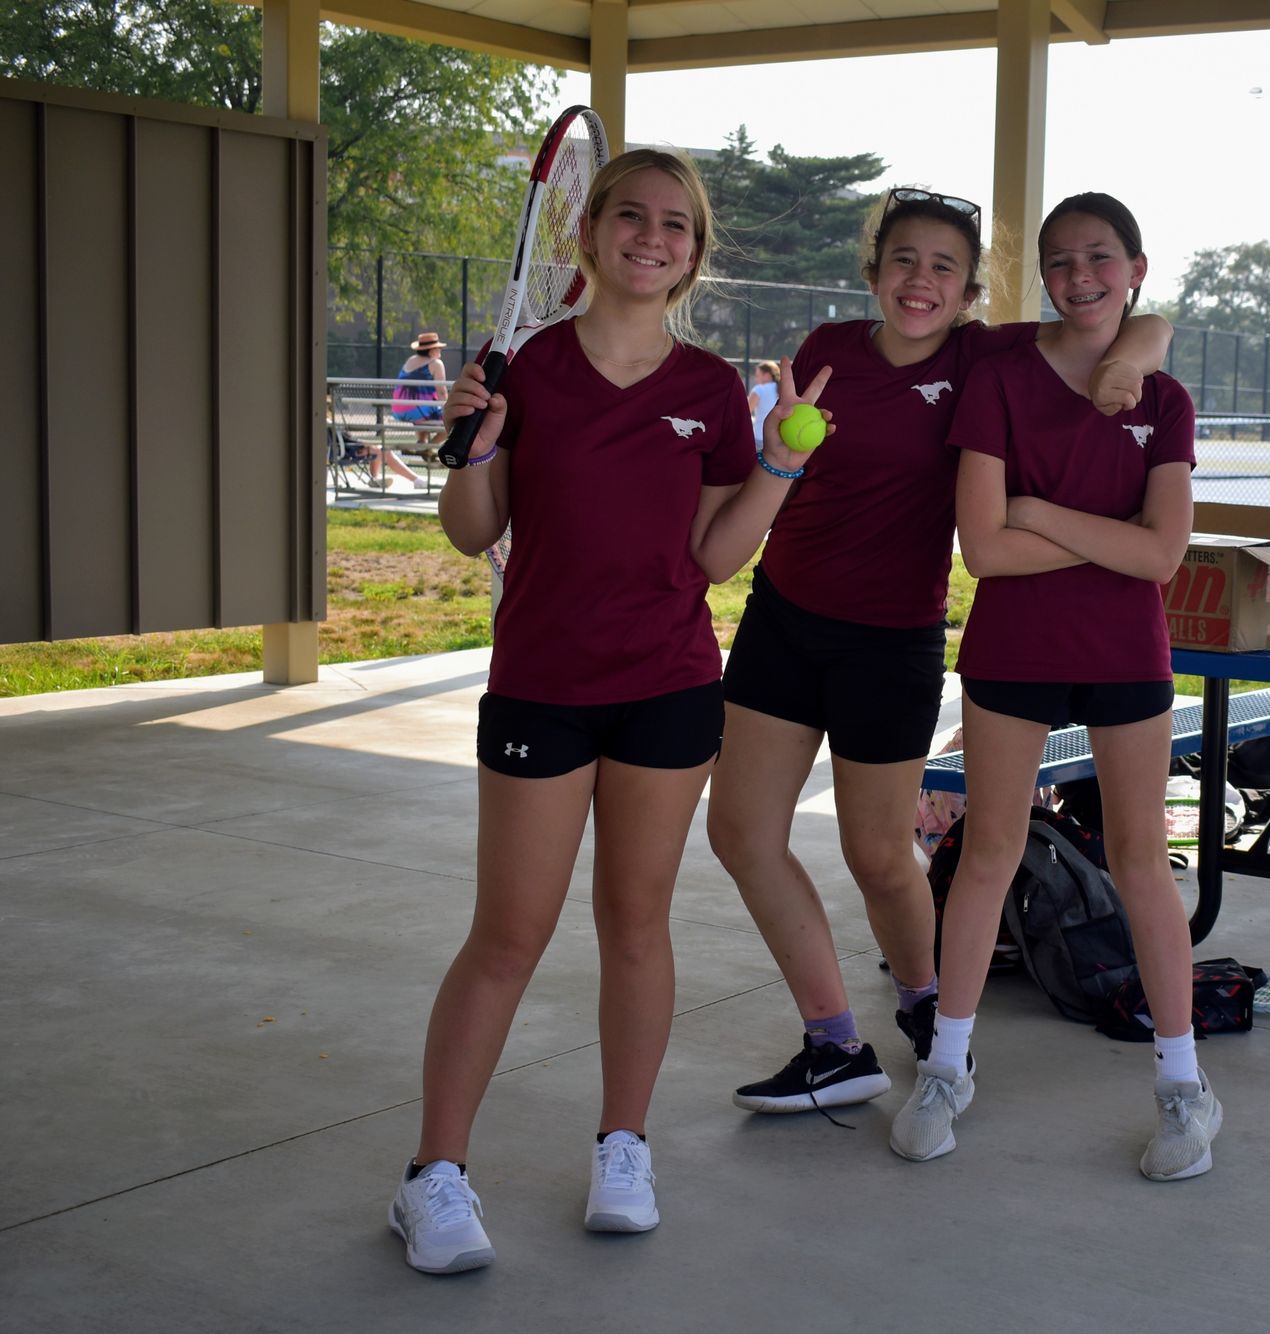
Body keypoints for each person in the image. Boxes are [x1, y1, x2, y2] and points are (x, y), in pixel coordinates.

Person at [388, 147, 828, 1275]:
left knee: (636, 925)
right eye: (629, 215)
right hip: (541, 685)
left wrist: (778, 459)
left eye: (676, 224)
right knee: (509, 933)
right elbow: (470, 529)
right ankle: (433, 1175)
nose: (652, 235)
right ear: (586, 233)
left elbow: (715, 555)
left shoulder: (705, 393)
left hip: (670, 686)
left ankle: (622, 1147)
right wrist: (476, 442)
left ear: (695, 251)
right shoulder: (524, 369)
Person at [710, 188, 1171, 1116]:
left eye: (944, 268)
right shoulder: (828, 353)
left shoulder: (983, 356)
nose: (921, 280)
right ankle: (835, 1040)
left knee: (879, 855)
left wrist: (1134, 359)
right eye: (904, 260)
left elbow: (1136, 315)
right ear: (874, 270)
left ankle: (930, 1015)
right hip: (784, 618)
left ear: (968, 294)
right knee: (739, 833)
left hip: (893, 640)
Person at [888, 192, 1209, 1181]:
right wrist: (1071, 529)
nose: (1079, 275)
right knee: (988, 848)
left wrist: (1040, 505)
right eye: (1059, 260)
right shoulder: (999, 373)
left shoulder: (1162, 398)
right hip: (1012, 650)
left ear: (1134, 266)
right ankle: (945, 1064)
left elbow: (1159, 556)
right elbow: (983, 548)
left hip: (1125, 653)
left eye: (1099, 258)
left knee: (1140, 858)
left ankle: (1183, 1086)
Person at [393, 331, 452, 456]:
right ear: (431, 350)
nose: (440, 351)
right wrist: (448, 410)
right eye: (438, 348)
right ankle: (428, 447)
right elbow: (442, 392)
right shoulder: (435, 363)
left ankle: (421, 443)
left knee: (428, 409)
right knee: (455, 423)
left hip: (399, 409)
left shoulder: (410, 360)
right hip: (417, 410)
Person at [746, 359, 779, 441]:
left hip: (760, 438)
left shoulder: (759, 389)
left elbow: (745, 412)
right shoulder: (783, 389)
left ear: (767, 375)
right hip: (778, 439)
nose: (755, 379)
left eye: (757, 376)